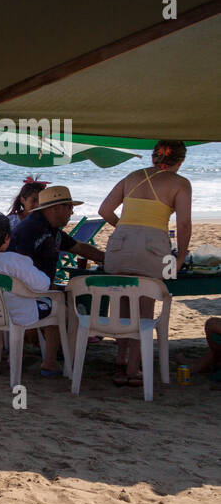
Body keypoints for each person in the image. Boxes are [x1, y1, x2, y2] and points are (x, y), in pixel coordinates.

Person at [98, 140, 191, 386]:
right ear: (180, 161)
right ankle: (132, 367)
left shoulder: (133, 176)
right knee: (144, 308)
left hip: (120, 243)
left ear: (153, 158)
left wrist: (126, 229)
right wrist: (181, 255)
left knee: (122, 301)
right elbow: (183, 224)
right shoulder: (180, 184)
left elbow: (104, 210)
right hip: (152, 246)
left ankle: (120, 358)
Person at [0, 212, 64, 377]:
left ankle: (17, 354)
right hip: (16, 315)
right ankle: (50, 362)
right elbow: (43, 285)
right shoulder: (15, 261)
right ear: (7, 238)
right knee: (57, 310)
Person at [7, 185, 104, 283]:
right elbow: (20, 265)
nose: (72, 212)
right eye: (70, 207)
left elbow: (78, 247)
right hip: (27, 291)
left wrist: (106, 258)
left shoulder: (49, 228)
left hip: (38, 288)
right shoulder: (33, 229)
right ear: (56, 208)